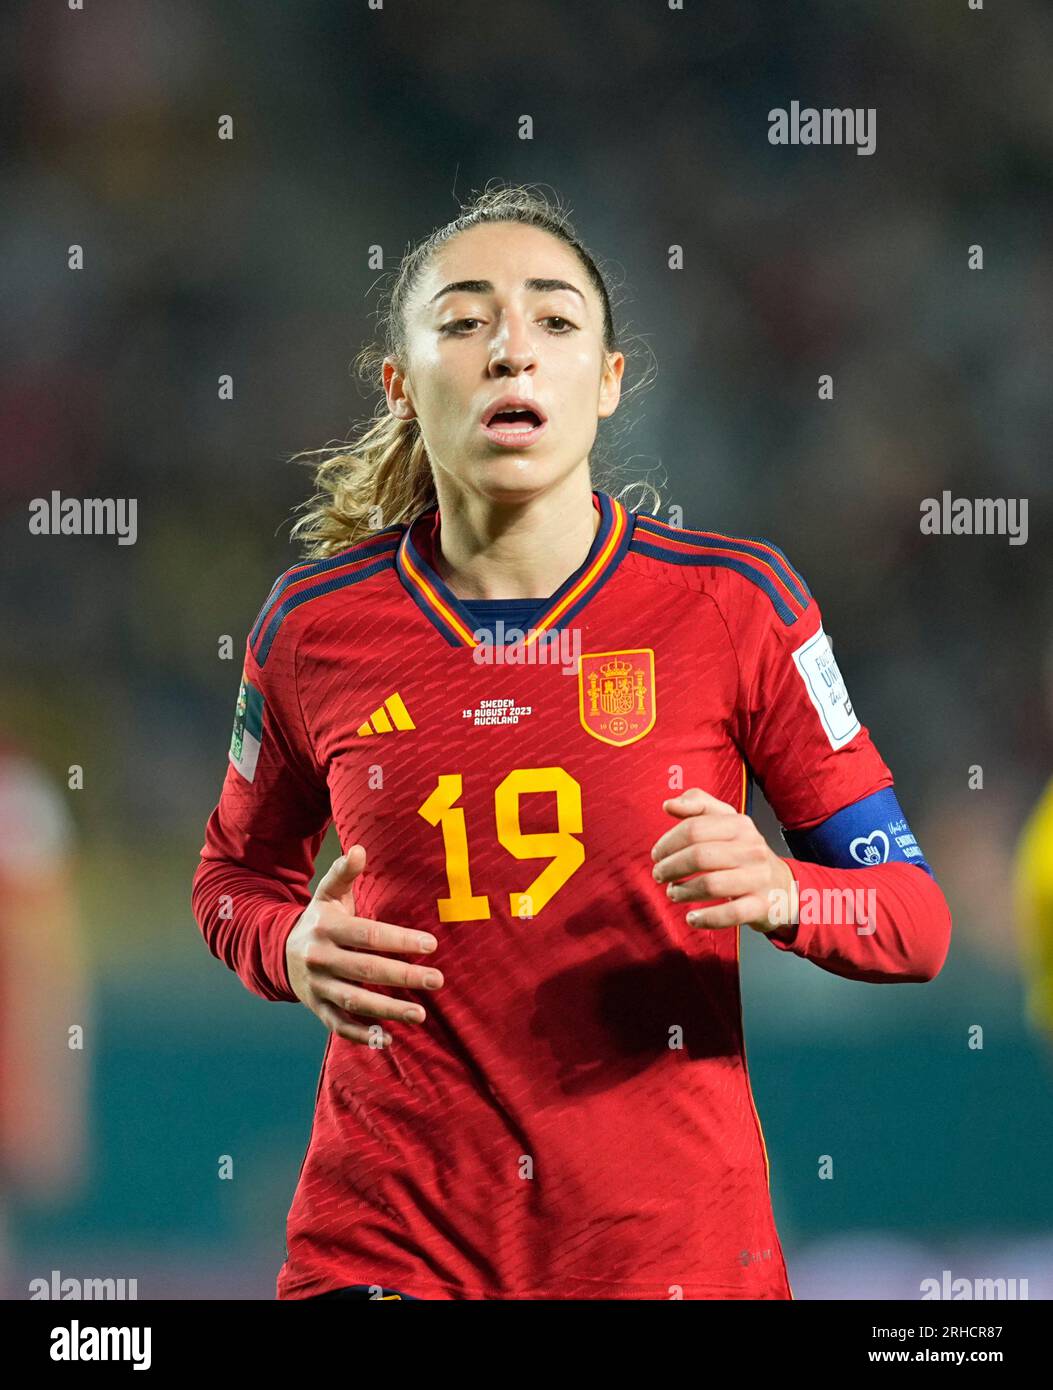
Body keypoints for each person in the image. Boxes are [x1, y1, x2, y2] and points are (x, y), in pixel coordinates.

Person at [191, 183, 952, 1301]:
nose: (511, 352)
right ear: (401, 387)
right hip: (390, 1247)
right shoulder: (311, 628)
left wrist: (789, 893)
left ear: (607, 382)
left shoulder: (737, 604)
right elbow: (229, 880)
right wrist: (285, 948)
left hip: (666, 1254)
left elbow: (916, 921)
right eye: (464, 321)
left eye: (553, 321)